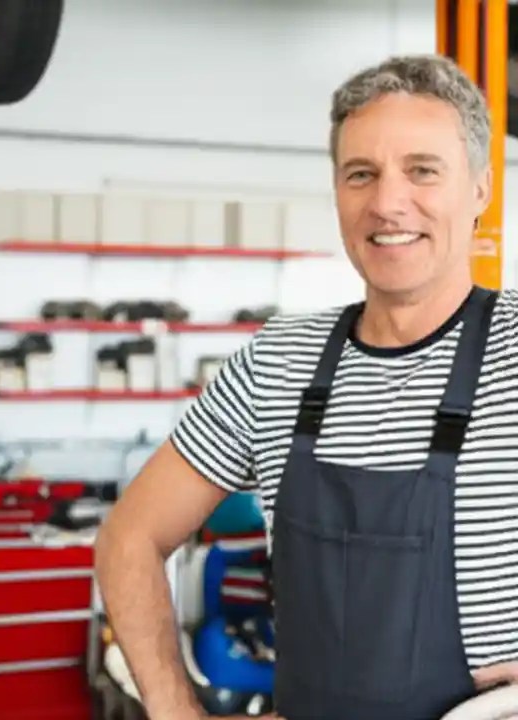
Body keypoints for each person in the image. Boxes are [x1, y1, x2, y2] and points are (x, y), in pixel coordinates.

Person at [94, 54, 518, 720]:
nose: (387, 202)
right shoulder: (277, 362)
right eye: (361, 174)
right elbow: (129, 537)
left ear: (481, 190)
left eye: (423, 170)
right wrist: (177, 711)